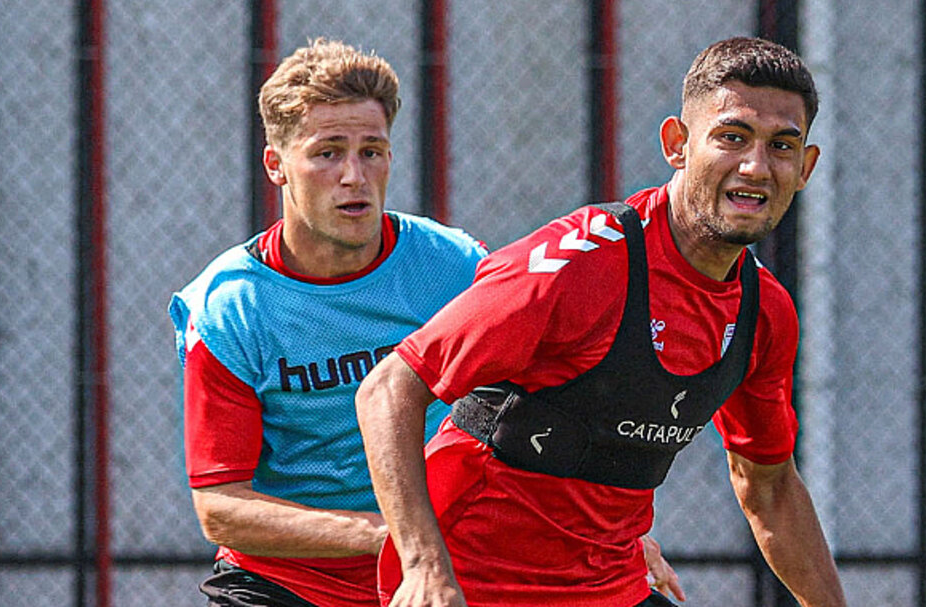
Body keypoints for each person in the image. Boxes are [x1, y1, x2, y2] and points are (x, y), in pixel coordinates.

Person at [356, 36, 847, 607]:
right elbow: (388, 389)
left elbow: (771, 488)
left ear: (806, 167)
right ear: (677, 144)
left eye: (781, 145)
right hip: (473, 585)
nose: (755, 166)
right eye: (731, 137)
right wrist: (423, 568)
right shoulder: (579, 265)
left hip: (608, 588)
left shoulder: (765, 314)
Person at [168, 39, 488, 606]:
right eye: (327, 153)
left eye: (372, 151)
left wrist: (615, 539)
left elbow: (554, 399)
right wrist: (396, 536)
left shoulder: (457, 268)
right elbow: (221, 507)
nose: (353, 176)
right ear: (276, 165)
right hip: (283, 586)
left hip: (447, 575)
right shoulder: (229, 307)